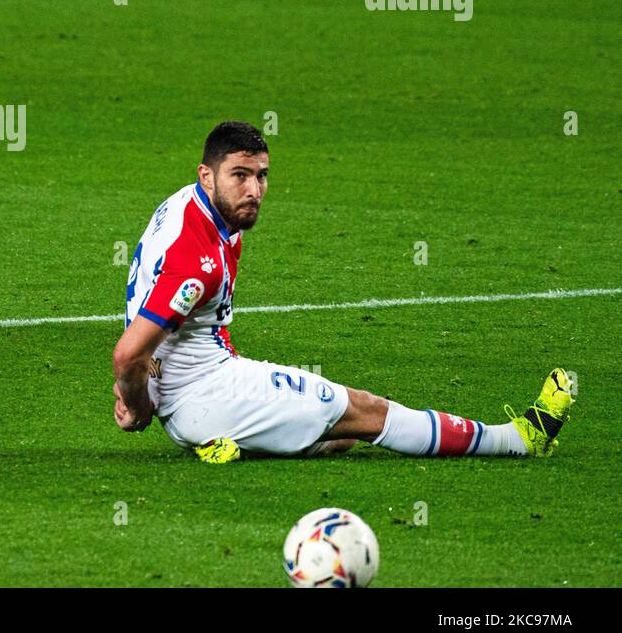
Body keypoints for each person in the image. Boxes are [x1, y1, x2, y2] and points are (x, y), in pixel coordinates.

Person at [112, 121, 573, 462]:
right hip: (206, 390)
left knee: (341, 438)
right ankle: (516, 439)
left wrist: (152, 382)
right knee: (366, 412)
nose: (254, 190)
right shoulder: (196, 261)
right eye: (240, 176)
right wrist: (139, 406)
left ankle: (226, 439)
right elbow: (127, 354)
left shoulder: (192, 203)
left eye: (262, 175)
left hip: (192, 386)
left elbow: (153, 326)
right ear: (208, 175)